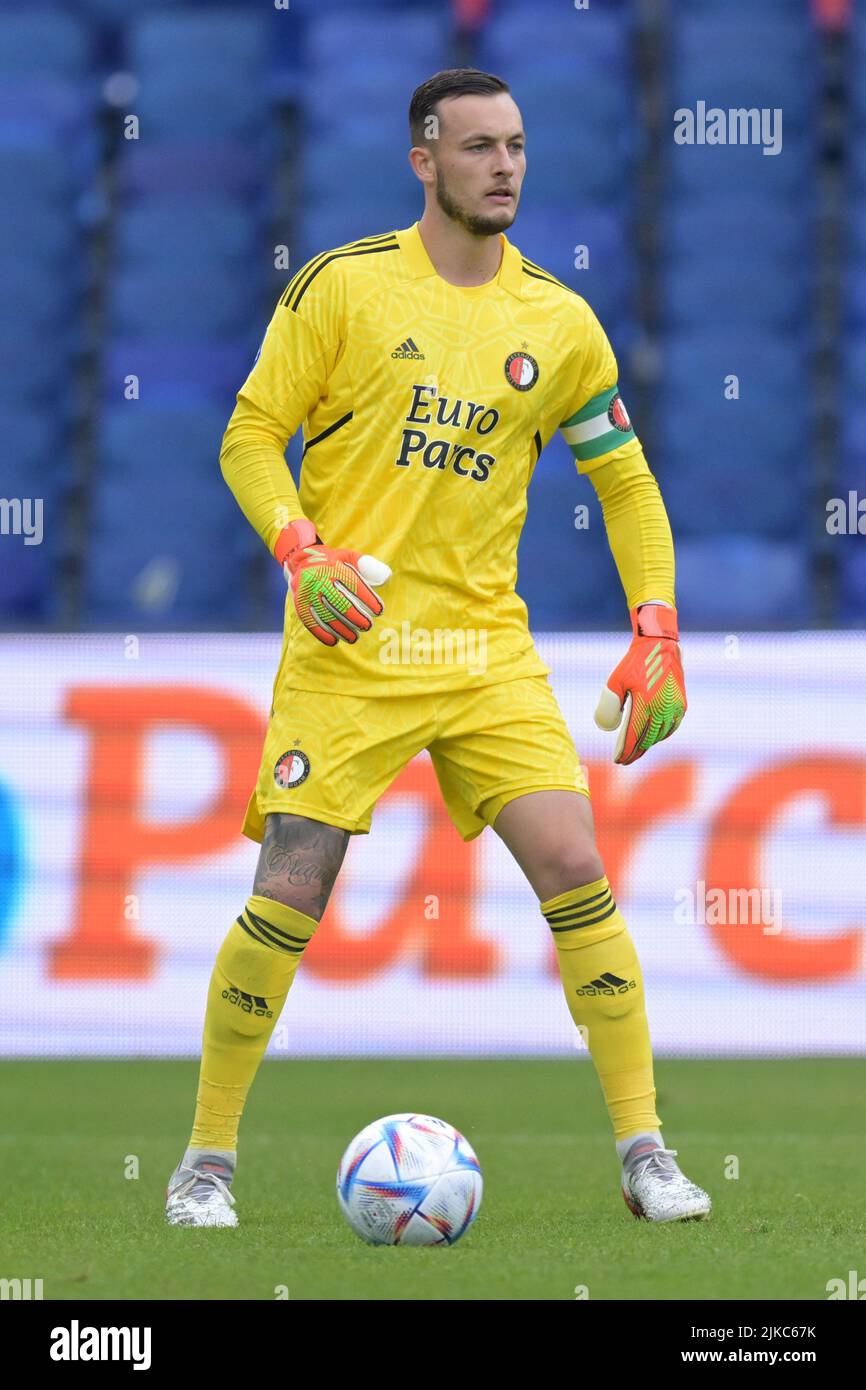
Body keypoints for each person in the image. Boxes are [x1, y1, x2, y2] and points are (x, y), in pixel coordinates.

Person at [165, 67, 710, 1228]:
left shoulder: (558, 322)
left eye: (513, 144)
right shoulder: (343, 289)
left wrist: (654, 621)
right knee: (294, 887)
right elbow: (252, 434)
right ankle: (204, 1163)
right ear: (423, 161)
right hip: (350, 639)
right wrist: (299, 550)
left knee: (573, 862)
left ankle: (643, 1152)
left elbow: (622, 479)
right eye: (474, 148)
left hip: (481, 648)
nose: (502, 165)